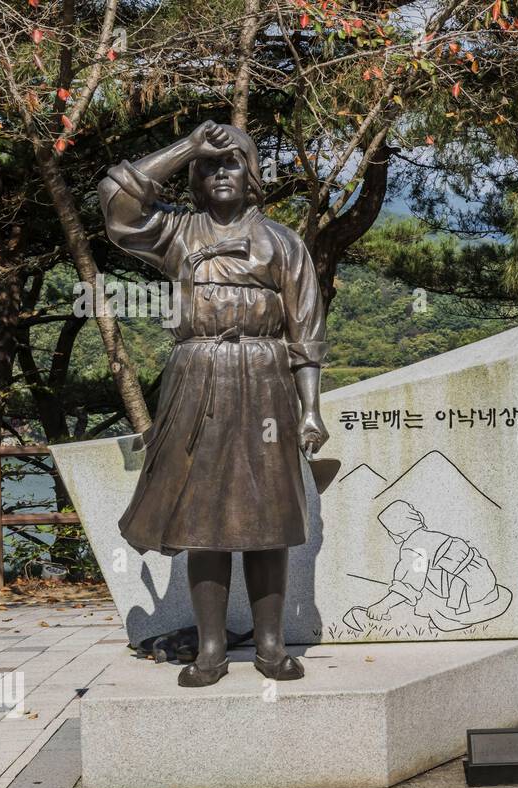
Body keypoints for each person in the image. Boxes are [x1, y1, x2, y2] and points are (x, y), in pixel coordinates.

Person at [98, 120, 329, 687]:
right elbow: (117, 202)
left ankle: (272, 646)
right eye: (209, 166)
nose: (219, 173)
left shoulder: (283, 243)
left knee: (268, 516)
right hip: (197, 376)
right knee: (202, 518)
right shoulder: (177, 234)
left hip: (266, 377)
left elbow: (307, 333)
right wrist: (186, 147)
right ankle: (209, 648)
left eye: (231, 163)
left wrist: (311, 408)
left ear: (252, 176)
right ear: (195, 178)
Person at [345, 500, 511, 634]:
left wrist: (383, 605)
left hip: (470, 593)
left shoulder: (414, 547)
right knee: (426, 578)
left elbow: (409, 583)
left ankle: (447, 619)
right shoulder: (432, 536)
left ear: (395, 532)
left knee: (417, 591)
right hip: (486, 585)